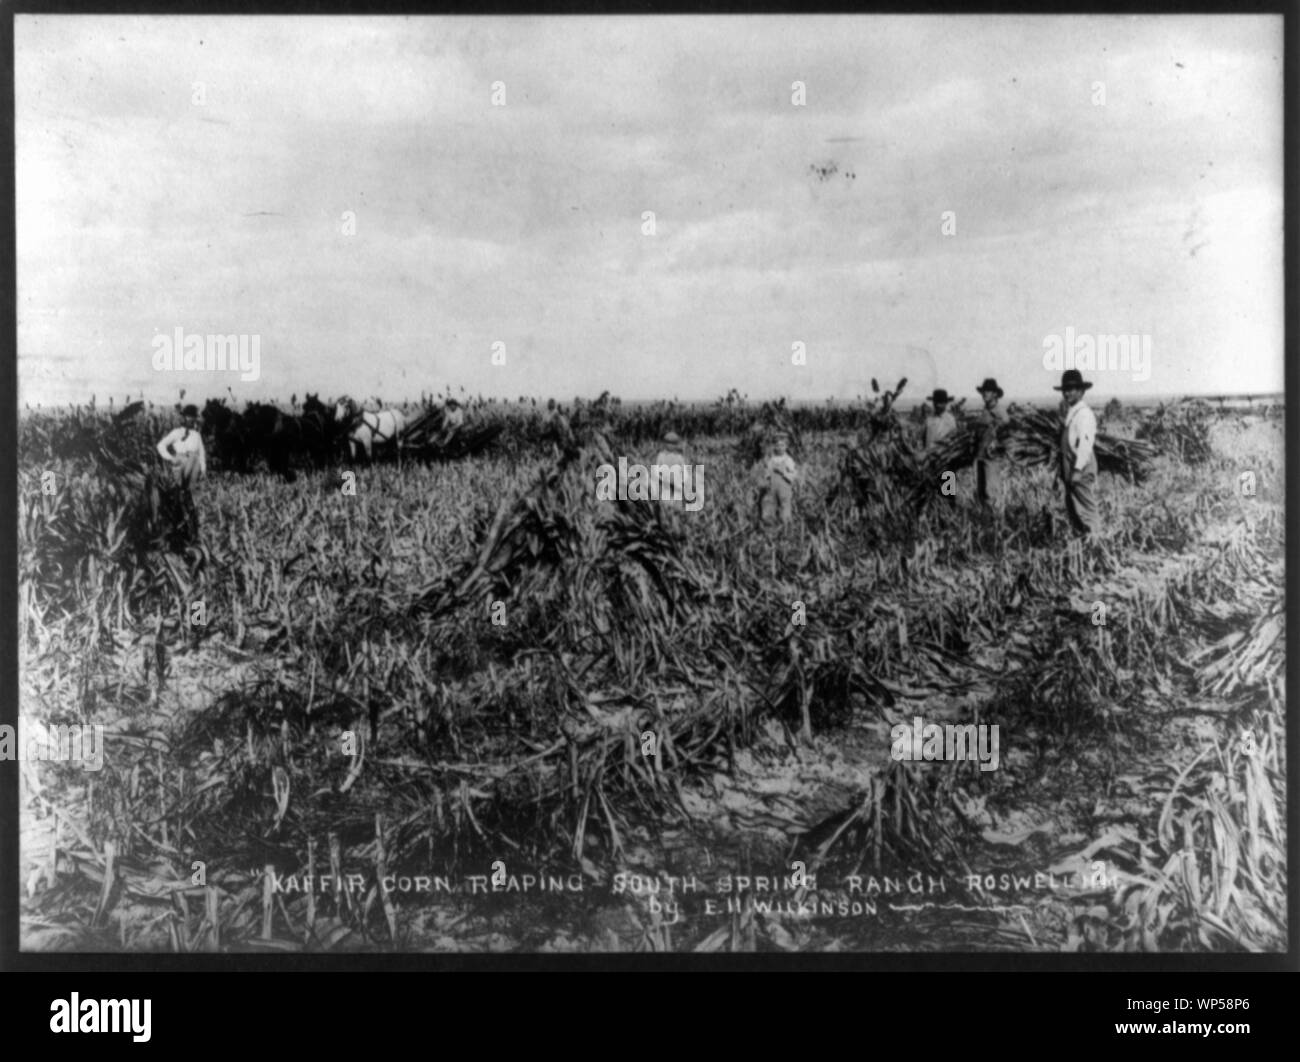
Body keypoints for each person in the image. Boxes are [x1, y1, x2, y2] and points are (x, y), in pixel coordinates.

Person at [1055, 369, 1098, 536]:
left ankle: (1097, 545)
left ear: (1081, 391)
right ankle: (1082, 549)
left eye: (1072, 389)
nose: (1067, 393)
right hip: (1071, 469)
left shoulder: (1084, 415)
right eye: (1065, 390)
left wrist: (1078, 470)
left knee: (1086, 510)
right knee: (1075, 510)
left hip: (1080, 469)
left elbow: (1085, 445)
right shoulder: (1072, 413)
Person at [156, 404, 206, 536]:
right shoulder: (176, 433)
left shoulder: (197, 435)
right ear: (184, 417)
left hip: (193, 464)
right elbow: (161, 445)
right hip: (180, 463)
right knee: (178, 493)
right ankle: (175, 525)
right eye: (188, 416)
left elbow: (201, 452)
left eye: (193, 417)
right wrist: (171, 458)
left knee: (190, 495)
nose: (190, 419)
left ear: (195, 419)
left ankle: (192, 527)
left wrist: (203, 468)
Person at [974, 378, 1009, 506]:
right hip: (981, 456)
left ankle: (997, 523)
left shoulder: (1000, 412)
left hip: (992, 457)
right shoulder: (985, 411)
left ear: (995, 394)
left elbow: (1007, 436)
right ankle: (986, 522)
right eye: (983, 391)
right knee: (982, 492)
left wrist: (996, 445)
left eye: (988, 391)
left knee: (991, 491)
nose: (984, 394)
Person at [755, 431, 800, 526]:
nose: (779, 448)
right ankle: (769, 523)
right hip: (772, 486)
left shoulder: (788, 460)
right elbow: (767, 472)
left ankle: (785, 523)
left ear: (786, 446)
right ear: (774, 446)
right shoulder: (771, 459)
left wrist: (784, 472)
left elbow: (794, 474)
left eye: (782, 445)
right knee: (769, 502)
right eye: (777, 445)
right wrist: (766, 478)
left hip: (784, 486)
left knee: (785, 505)